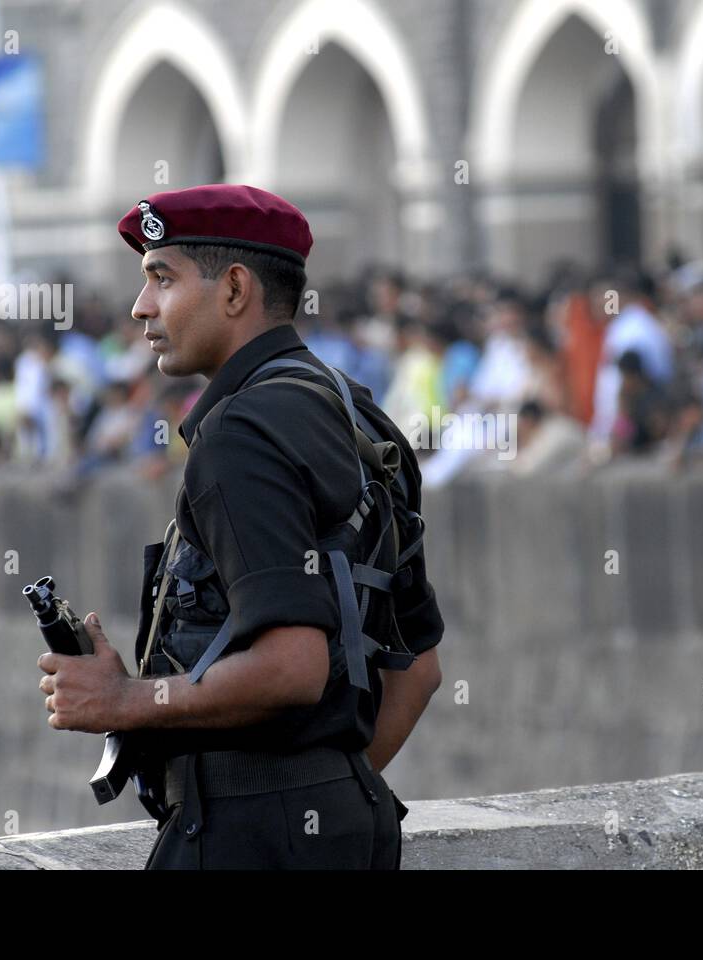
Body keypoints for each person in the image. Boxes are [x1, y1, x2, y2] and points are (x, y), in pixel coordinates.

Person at [36, 184, 445, 869]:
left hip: (242, 841)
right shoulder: (357, 412)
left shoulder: (241, 434)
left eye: (161, 278)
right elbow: (420, 669)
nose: (141, 308)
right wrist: (326, 793)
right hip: (351, 823)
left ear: (233, 290)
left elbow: (291, 669)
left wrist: (124, 699)